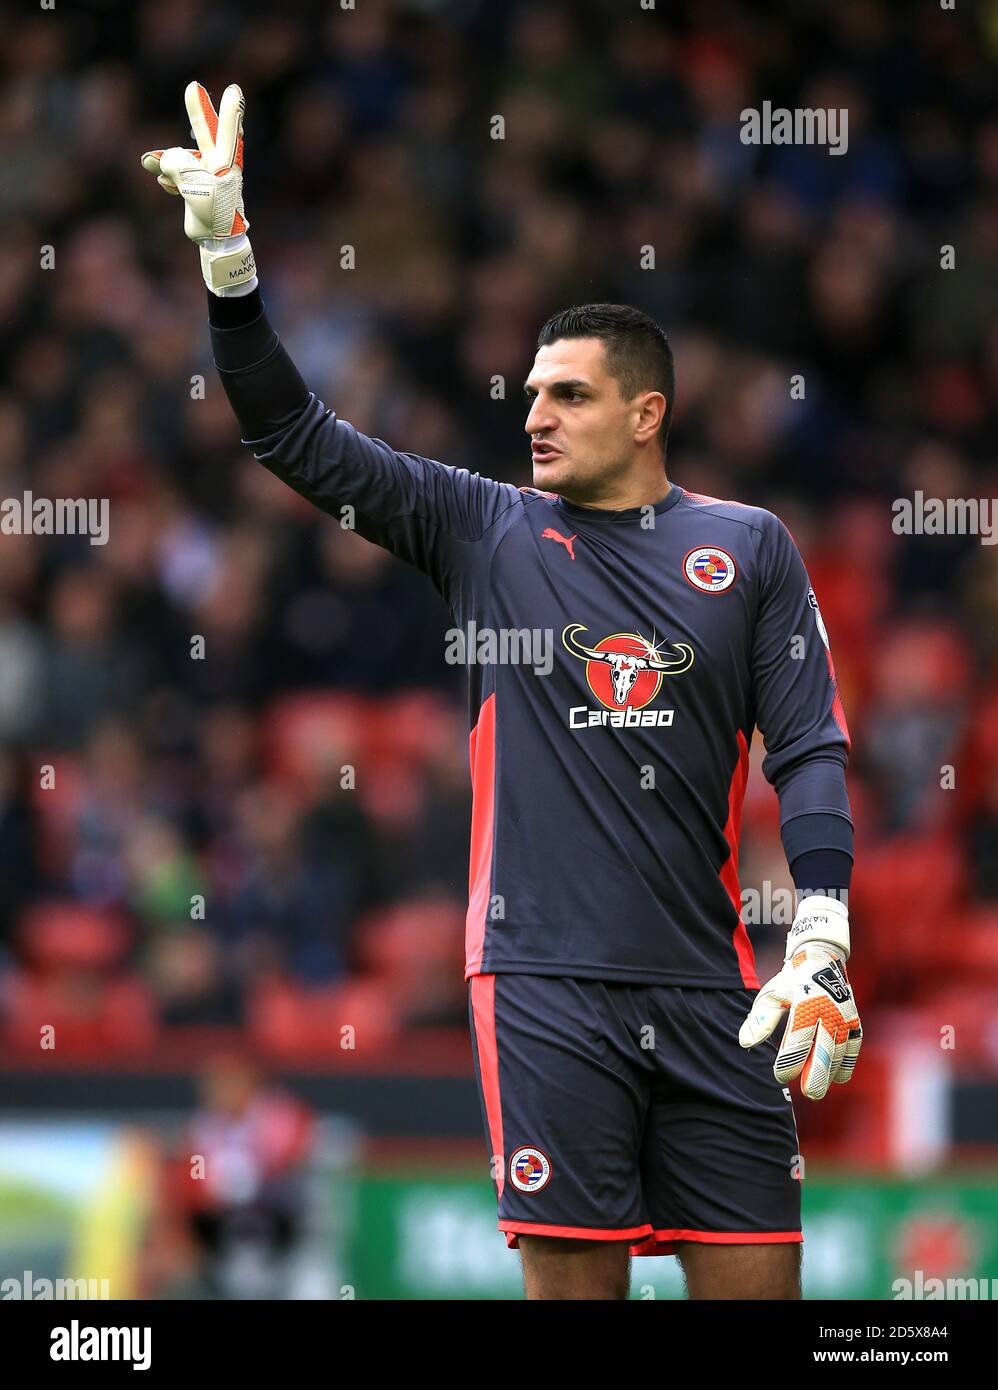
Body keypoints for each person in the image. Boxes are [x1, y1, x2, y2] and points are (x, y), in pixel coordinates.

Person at [142, 83, 862, 1300]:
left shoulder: (748, 549)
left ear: (647, 413)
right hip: (543, 985)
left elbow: (807, 746)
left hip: (716, 991)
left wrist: (826, 933)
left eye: (566, 395)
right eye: (528, 392)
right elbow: (289, 434)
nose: (533, 413)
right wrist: (227, 261)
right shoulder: (484, 530)